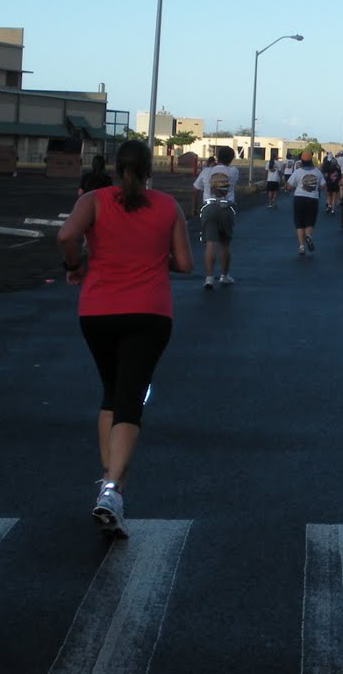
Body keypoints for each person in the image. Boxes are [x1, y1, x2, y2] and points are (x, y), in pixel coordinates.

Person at [56, 139, 193, 538]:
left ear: (117, 168)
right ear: (151, 168)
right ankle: (113, 489)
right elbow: (184, 264)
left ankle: (109, 483)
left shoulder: (95, 200)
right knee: (131, 398)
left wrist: (75, 264)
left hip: (97, 312)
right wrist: (151, 256)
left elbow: (66, 236)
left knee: (112, 393)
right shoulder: (167, 206)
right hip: (148, 313)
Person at [193, 144, 241, 289]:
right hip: (226, 208)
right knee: (225, 244)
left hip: (208, 207)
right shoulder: (234, 171)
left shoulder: (207, 171)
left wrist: (194, 208)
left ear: (217, 157)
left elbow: (195, 189)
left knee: (210, 244)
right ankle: (224, 275)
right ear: (231, 159)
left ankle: (208, 278)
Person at [288, 152, 326, 255]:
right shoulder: (317, 172)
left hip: (299, 198)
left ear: (302, 161)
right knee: (310, 221)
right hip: (313, 199)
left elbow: (289, 186)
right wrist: (316, 187)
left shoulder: (298, 172)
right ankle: (308, 236)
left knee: (299, 223)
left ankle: (301, 247)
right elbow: (323, 186)